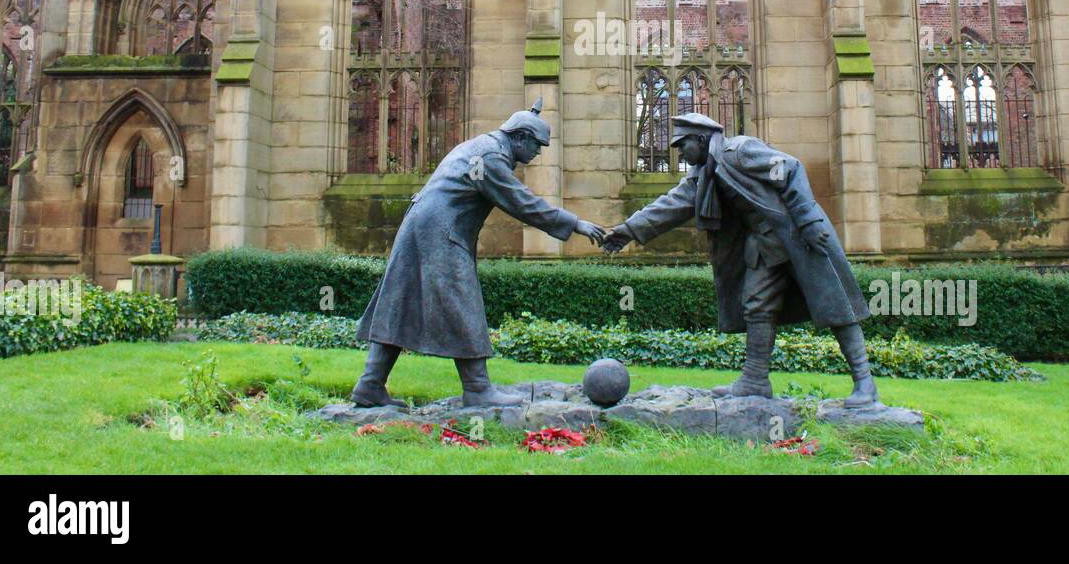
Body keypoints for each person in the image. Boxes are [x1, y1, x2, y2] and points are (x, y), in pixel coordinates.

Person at [602, 114, 879, 406]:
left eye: (682, 145)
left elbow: (790, 169)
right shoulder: (702, 174)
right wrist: (628, 230)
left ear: (699, 138)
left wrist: (809, 220)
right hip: (764, 244)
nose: (679, 153)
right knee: (757, 306)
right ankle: (755, 379)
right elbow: (671, 204)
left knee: (834, 305)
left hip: (799, 236)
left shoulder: (740, 151)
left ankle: (865, 384)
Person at [351, 99, 605, 408]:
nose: (538, 153)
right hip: (440, 234)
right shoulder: (491, 157)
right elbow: (521, 202)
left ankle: (370, 385)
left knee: (399, 302)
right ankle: (477, 387)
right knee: (463, 303)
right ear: (521, 137)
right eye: (537, 145)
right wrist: (575, 223)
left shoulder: (481, 146)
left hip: (420, 228)